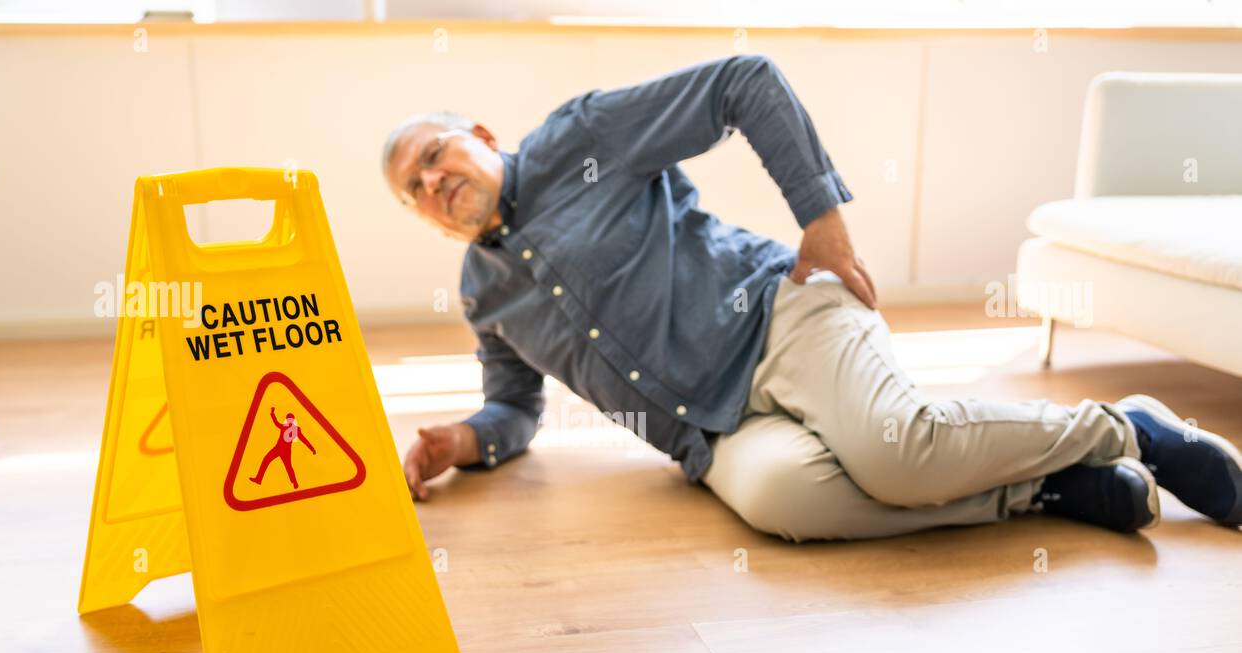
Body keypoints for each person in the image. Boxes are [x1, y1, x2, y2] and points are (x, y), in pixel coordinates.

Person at [383, 56, 1242, 540]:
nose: (432, 183)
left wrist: (821, 221)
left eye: (435, 156)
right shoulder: (483, 293)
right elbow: (515, 411)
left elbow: (742, 82)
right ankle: (1047, 492)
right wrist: (462, 441)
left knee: (894, 454)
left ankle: (1126, 428)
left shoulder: (580, 137)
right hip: (713, 431)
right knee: (789, 505)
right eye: (414, 190)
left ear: (482, 139)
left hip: (780, 319)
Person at [249, 407, 316, 490]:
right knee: (266, 459)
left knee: (288, 467)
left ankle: (294, 482)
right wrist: (272, 413)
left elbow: (304, 440)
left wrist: (312, 448)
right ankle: (258, 479)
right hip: (277, 448)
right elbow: (276, 423)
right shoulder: (284, 426)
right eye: (288, 419)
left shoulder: (296, 429)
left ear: (293, 420)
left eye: (290, 419)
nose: (289, 420)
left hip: (286, 451)